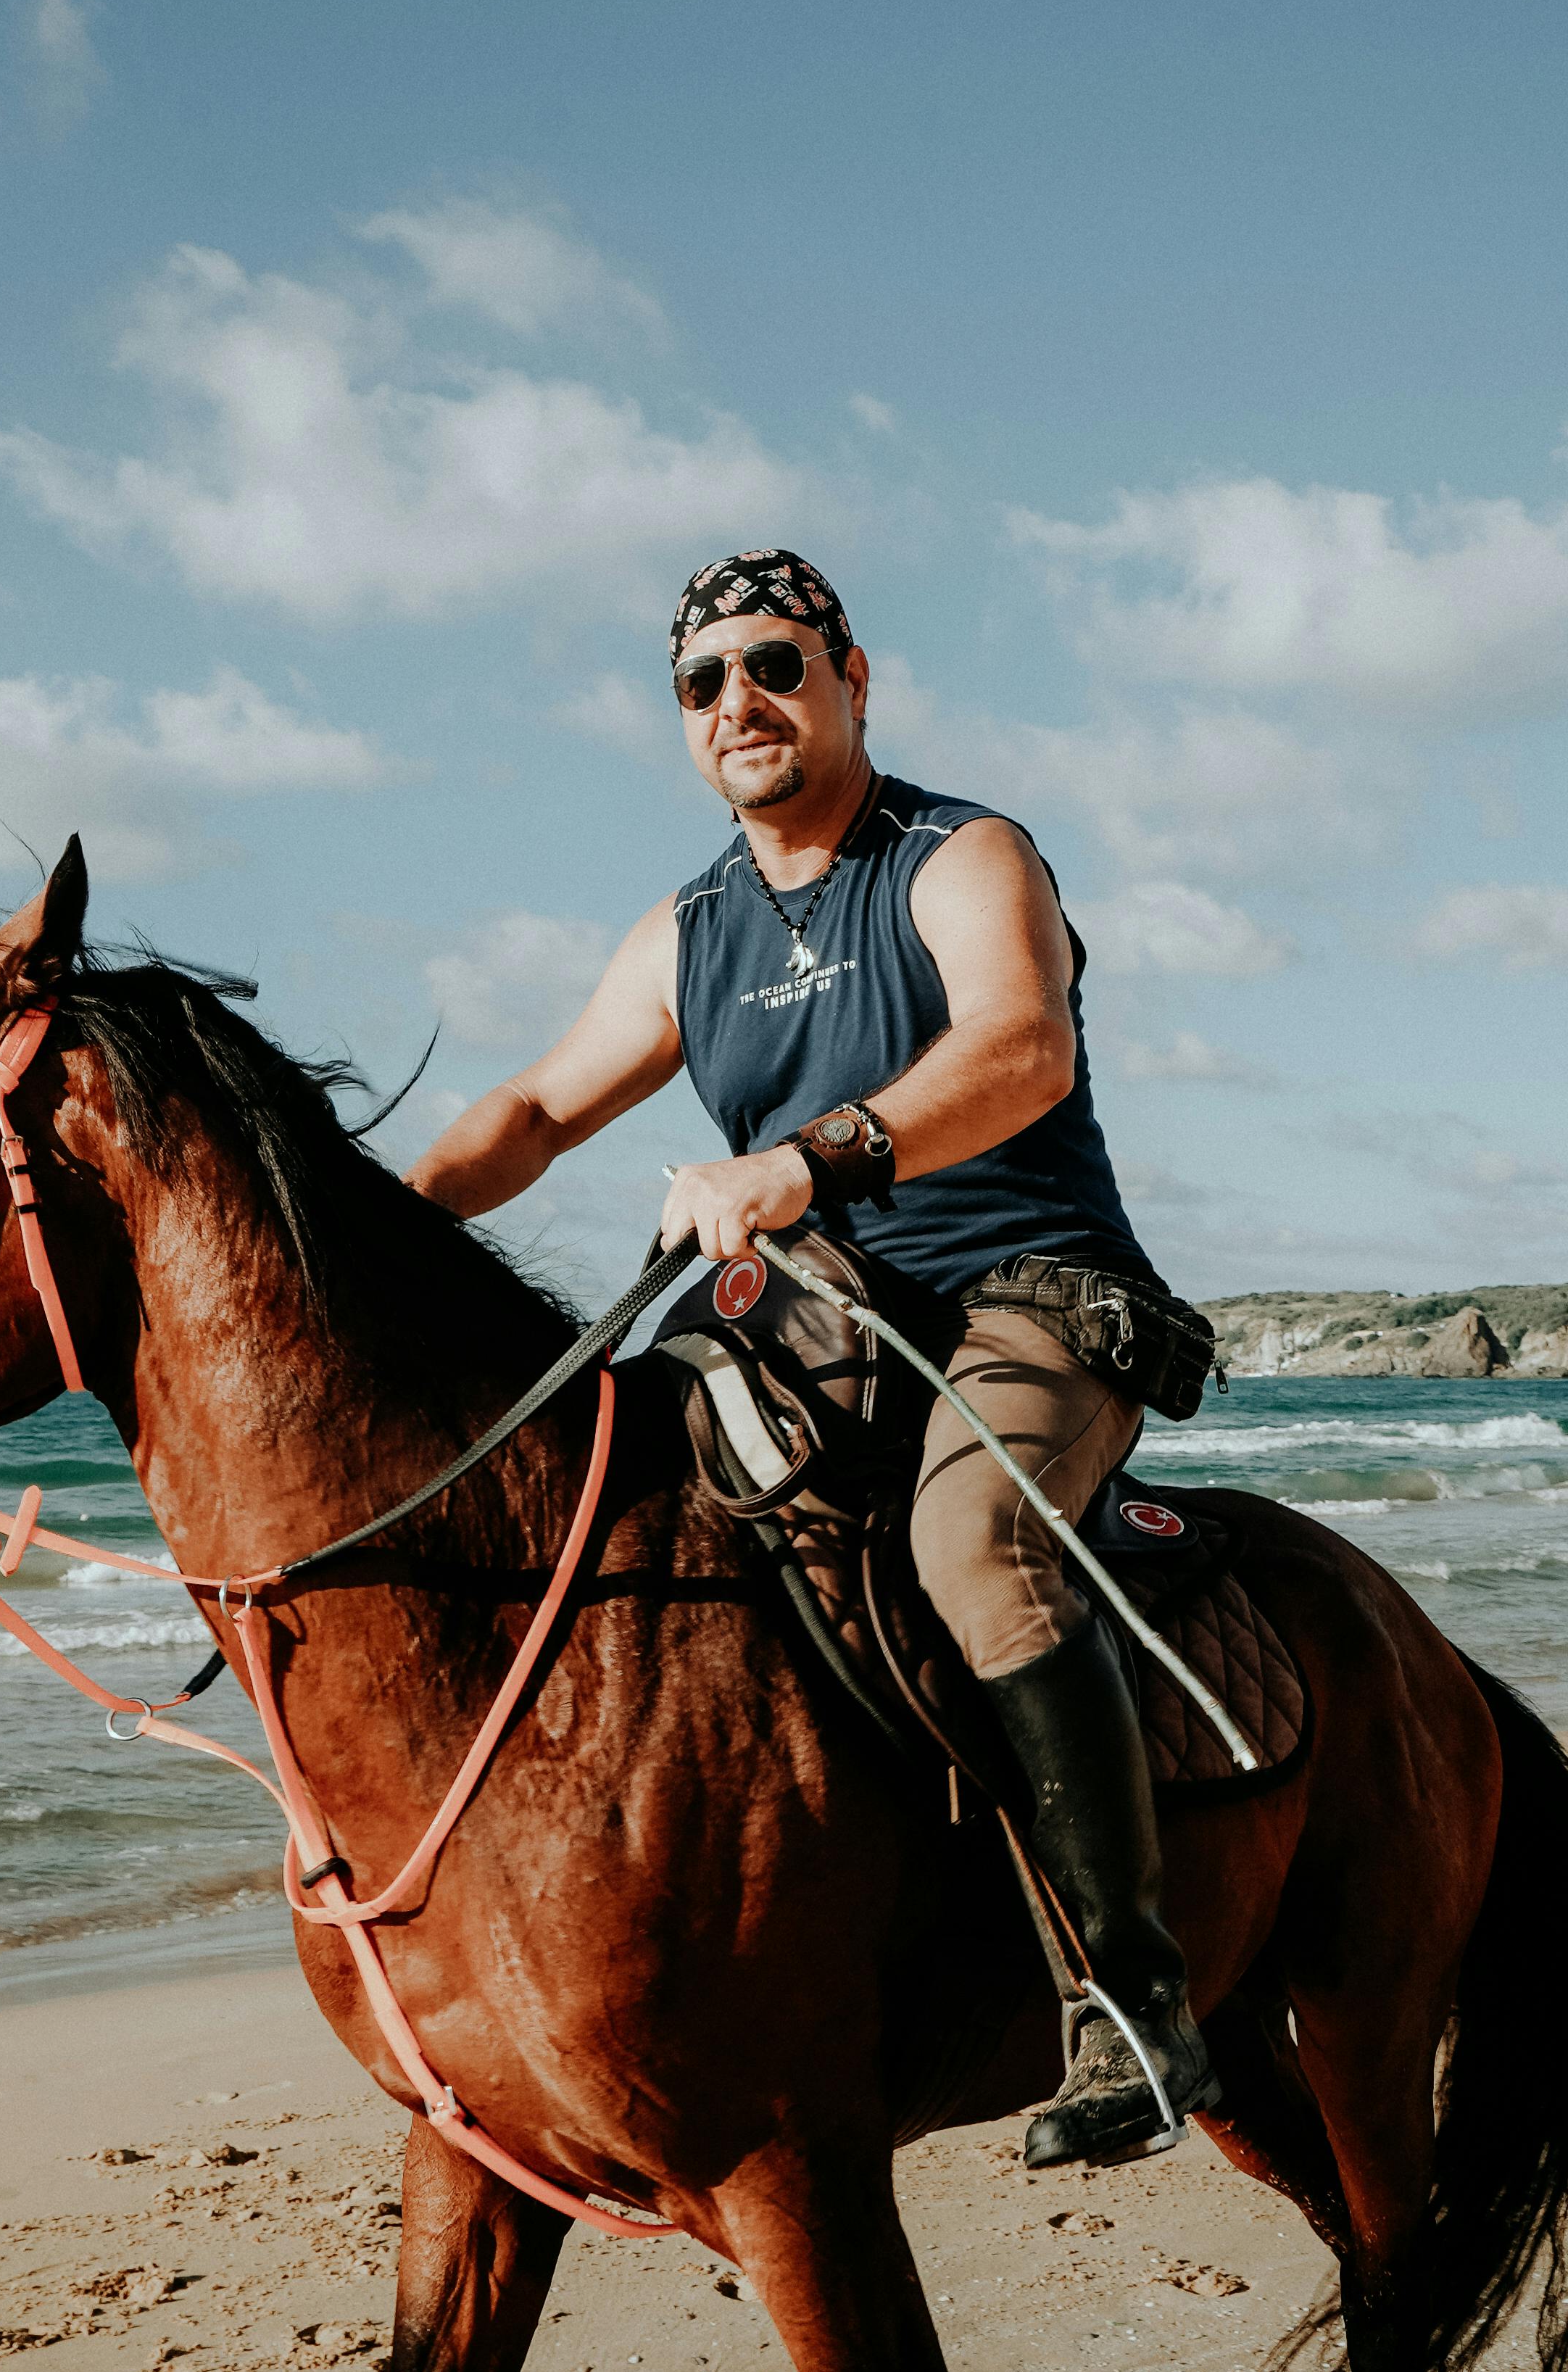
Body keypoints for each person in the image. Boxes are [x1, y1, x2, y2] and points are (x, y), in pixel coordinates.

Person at [408, 545, 1221, 2167]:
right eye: (701, 685)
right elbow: (540, 1109)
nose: (739, 703)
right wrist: (377, 1218)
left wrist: (808, 1159)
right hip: (822, 1314)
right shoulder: (688, 926)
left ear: (853, 677)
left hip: (1029, 1295)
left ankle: (1131, 2003)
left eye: (774, 665)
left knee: (966, 1538)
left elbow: (1017, 1048)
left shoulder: (956, 854)